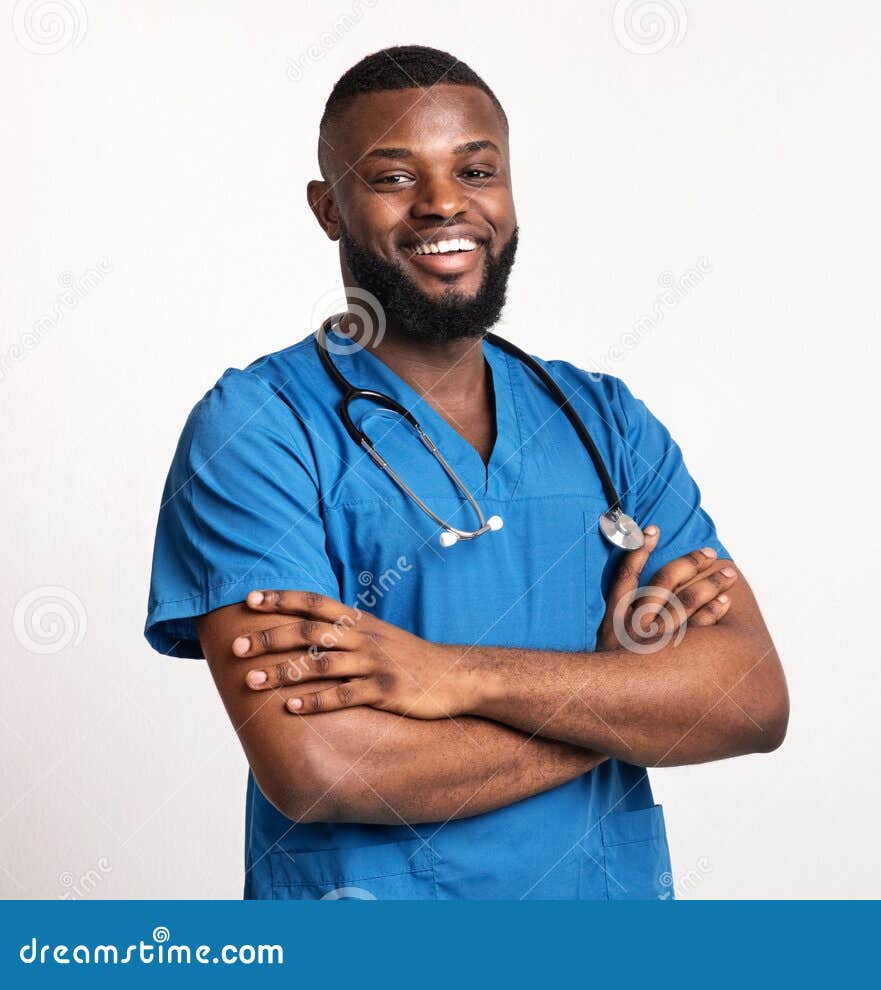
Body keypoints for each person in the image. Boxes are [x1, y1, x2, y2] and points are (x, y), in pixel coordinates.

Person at [142, 45, 788, 900]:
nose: (445, 202)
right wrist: (622, 704)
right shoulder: (259, 431)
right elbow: (321, 766)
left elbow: (749, 699)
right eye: (393, 178)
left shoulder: (605, 422)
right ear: (327, 208)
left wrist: (456, 675)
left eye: (476, 169)